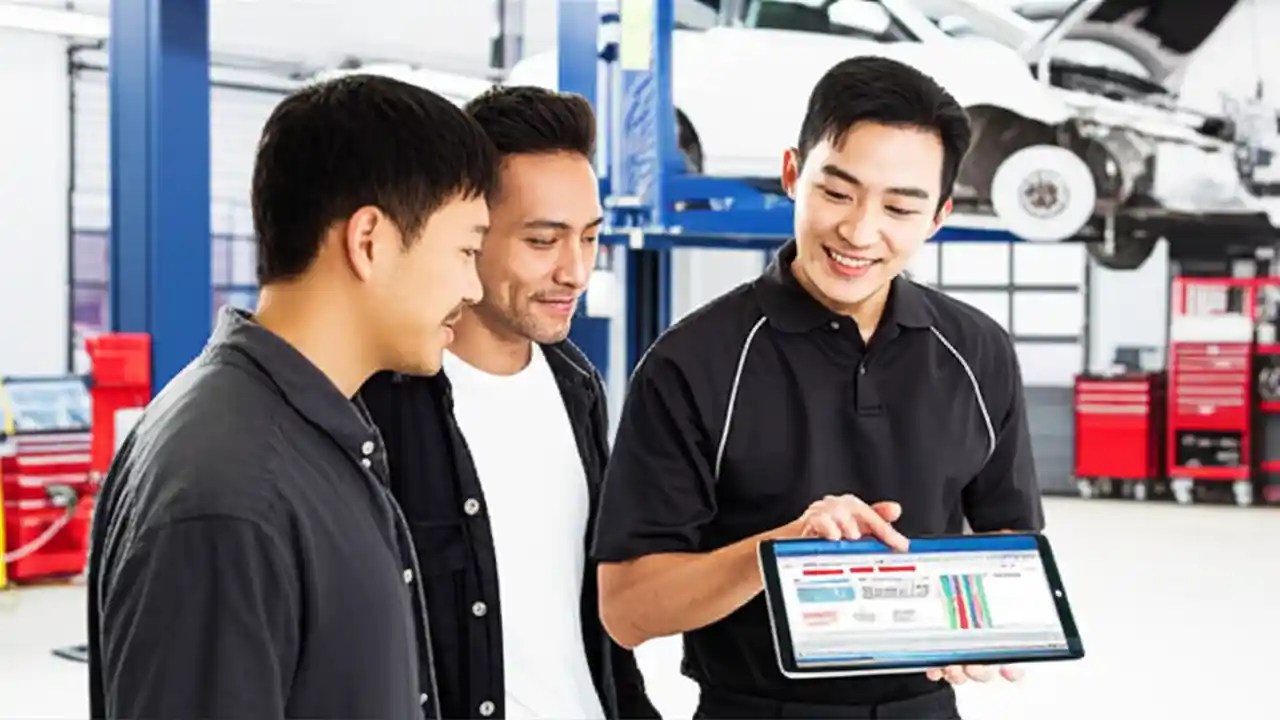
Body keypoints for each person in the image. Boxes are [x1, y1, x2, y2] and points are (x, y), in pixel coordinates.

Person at [592, 56, 1045, 719]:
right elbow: (628, 611)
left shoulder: (978, 352)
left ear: (940, 215)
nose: (860, 232)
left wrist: (985, 622)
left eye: (899, 207)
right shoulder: (692, 364)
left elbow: (1013, 544)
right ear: (791, 175)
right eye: (836, 192)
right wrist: (782, 550)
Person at [85, 74, 496, 720]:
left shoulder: (311, 435)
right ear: (370, 242)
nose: (474, 288)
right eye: (467, 249)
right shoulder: (233, 488)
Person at [358, 85, 658, 720]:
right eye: (543, 242)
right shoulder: (380, 406)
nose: (576, 271)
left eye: (589, 238)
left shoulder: (577, 384)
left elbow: (592, 623)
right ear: (469, 233)